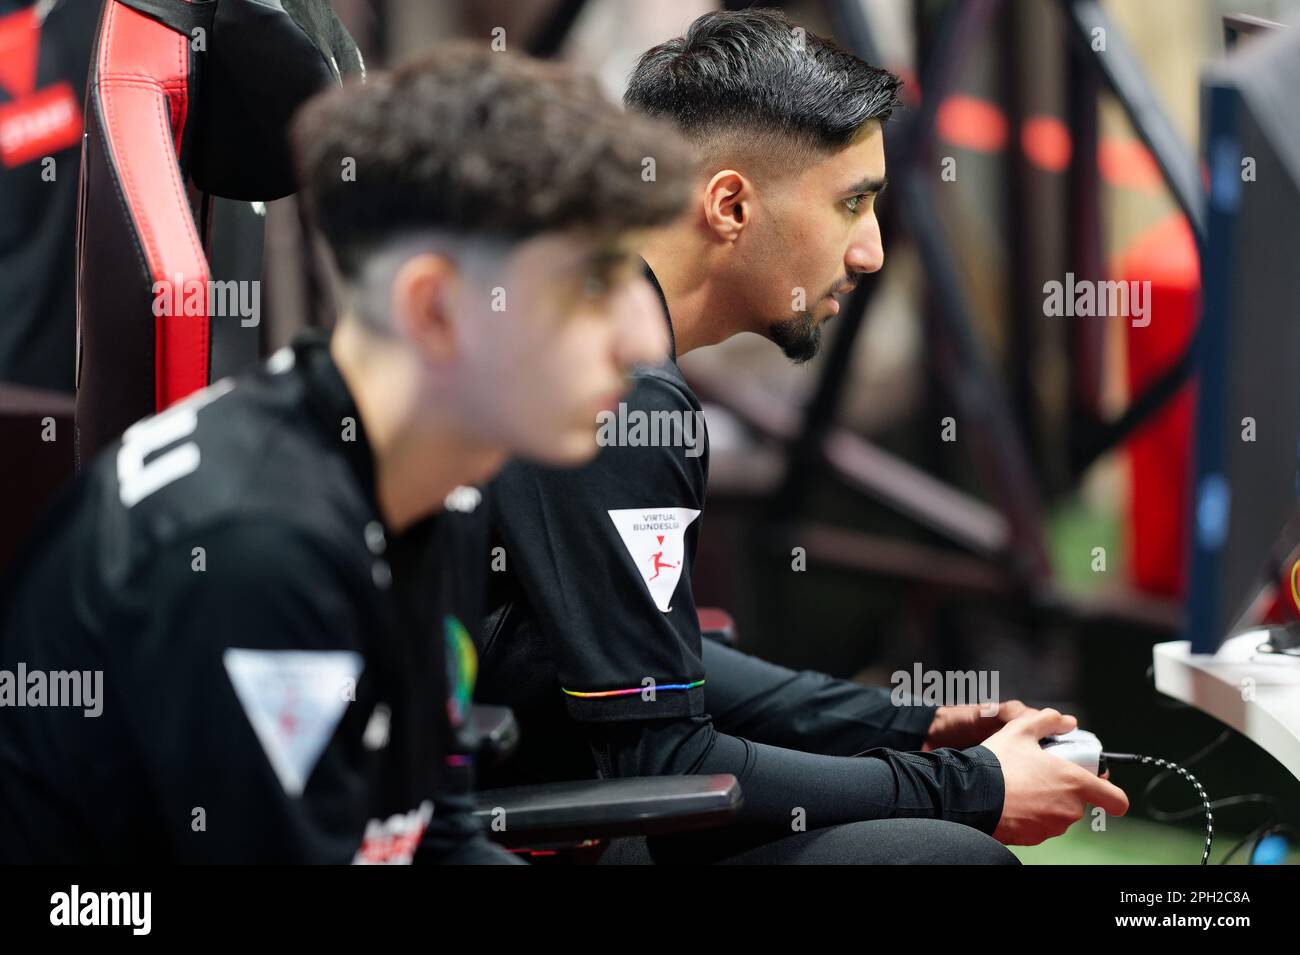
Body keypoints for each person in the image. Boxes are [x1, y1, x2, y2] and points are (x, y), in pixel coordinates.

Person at [0, 42, 689, 863]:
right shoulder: (255, 548)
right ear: (433, 309)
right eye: (592, 287)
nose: (645, 335)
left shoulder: (438, 481)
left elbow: (433, 830)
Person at [478, 9, 1128, 864]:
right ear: (731, 203)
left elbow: (648, 657)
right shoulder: (624, 395)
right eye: (852, 202)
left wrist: (909, 726)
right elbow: (667, 763)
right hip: (498, 830)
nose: (871, 252)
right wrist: (972, 787)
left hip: (507, 791)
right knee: (948, 859)